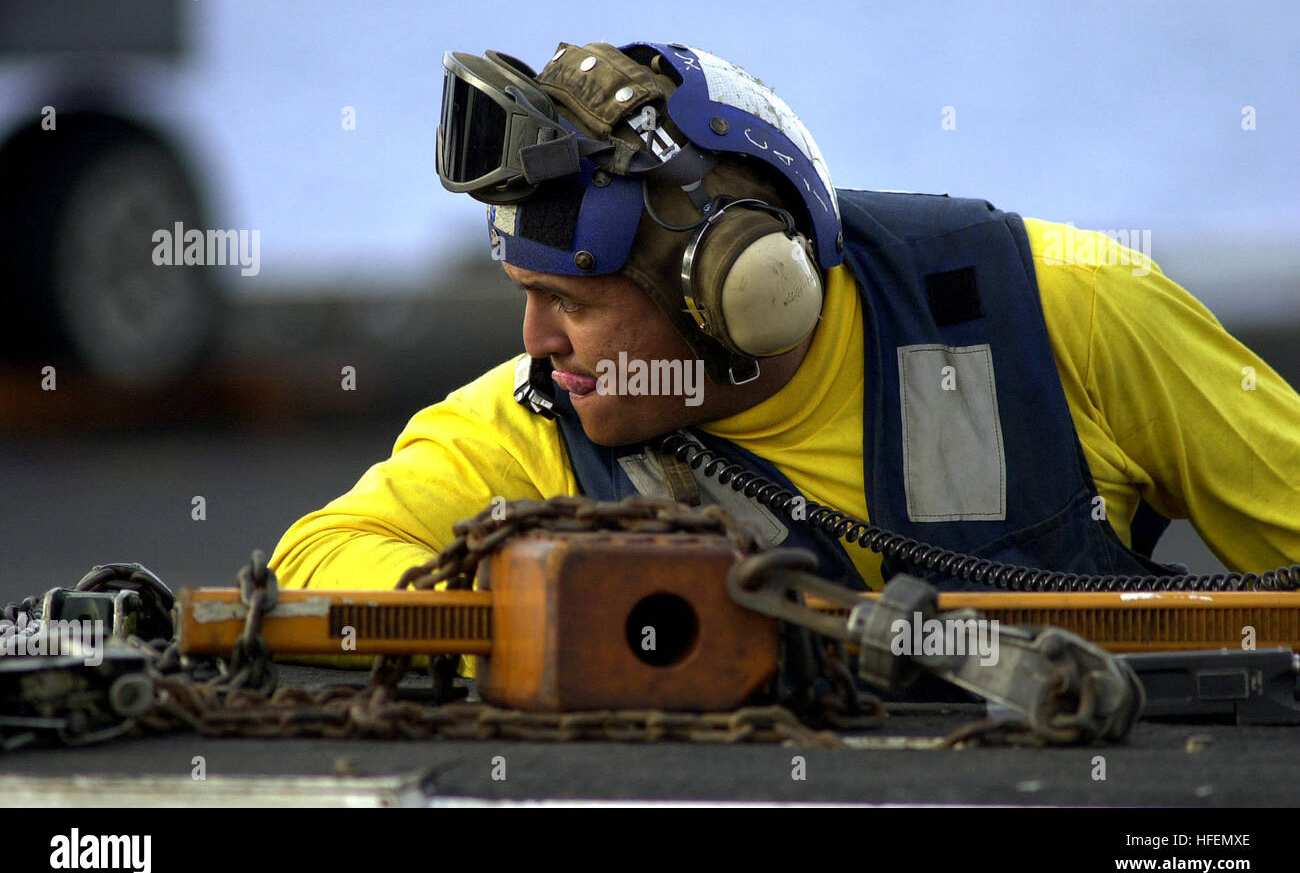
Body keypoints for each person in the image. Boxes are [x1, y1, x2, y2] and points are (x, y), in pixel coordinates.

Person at [270, 39, 1300, 599]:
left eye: (572, 304)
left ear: (738, 294)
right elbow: (317, 559)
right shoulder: (542, 414)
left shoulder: (1062, 305)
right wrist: (549, 596)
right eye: (528, 300)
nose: (536, 344)